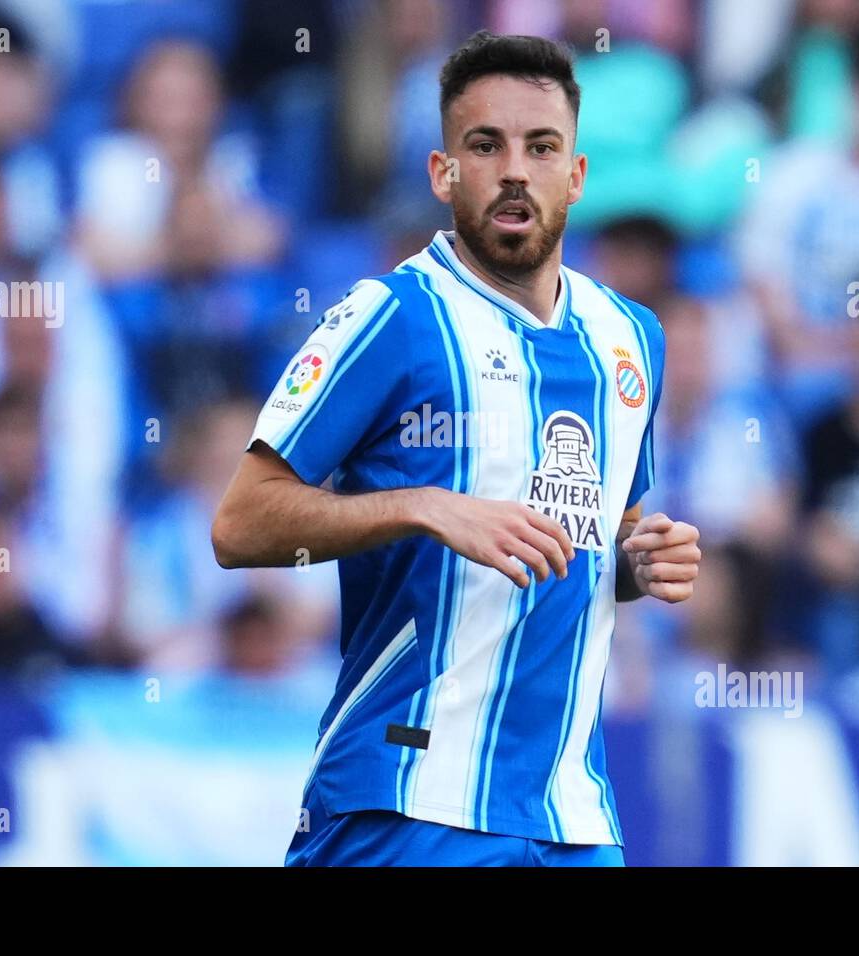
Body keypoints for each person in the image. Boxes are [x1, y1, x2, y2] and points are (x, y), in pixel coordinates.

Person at [211, 31, 700, 867]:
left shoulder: (632, 340)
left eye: (541, 147)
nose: (515, 170)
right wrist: (422, 507)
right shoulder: (390, 317)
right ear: (444, 173)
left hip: (572, 815)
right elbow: (240, 523)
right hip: (408, 796)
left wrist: (638, 563)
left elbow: (592, 542)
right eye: (486, 145)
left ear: (575, 177)